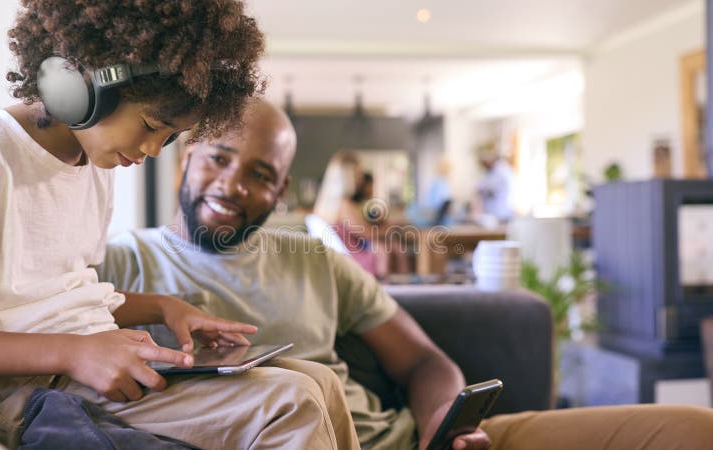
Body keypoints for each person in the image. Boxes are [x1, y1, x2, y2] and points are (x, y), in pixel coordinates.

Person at [98, 99, 713, 450]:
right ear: (187, 156)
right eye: (219, 158)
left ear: (282, 188)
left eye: (259, 173)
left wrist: (443, 424)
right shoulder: (121, 262)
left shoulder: (313, 259)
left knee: (689, 431)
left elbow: (423, 362)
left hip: (409, 441)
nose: (233, 184)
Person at [0, 2, 355, 449]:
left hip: (75, 366)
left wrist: (163, 307)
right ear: (85, 84)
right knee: (290, 403)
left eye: (169, 138)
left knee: (321, 382)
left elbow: (49, 297)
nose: (155, 150)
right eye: (150, 126)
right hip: (13, 391)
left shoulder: (94, 163)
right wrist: (74, 352)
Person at [313, 152, 410, 277]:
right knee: (387, 248)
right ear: (346, 176)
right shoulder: (343, 204)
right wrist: (394, 226)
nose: (361, 178)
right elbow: (368, 233)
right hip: (352, 260)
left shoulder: (327, 203)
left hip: (341, 257)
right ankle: (401, 289)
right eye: (357, 173)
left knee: (388, 246)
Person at [475, 148, 515, 224]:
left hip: (502, 212)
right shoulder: (487, 173)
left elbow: (492, 190)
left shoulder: (503, 172)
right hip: (490, 214)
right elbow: (479, 188)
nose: (483, 166)